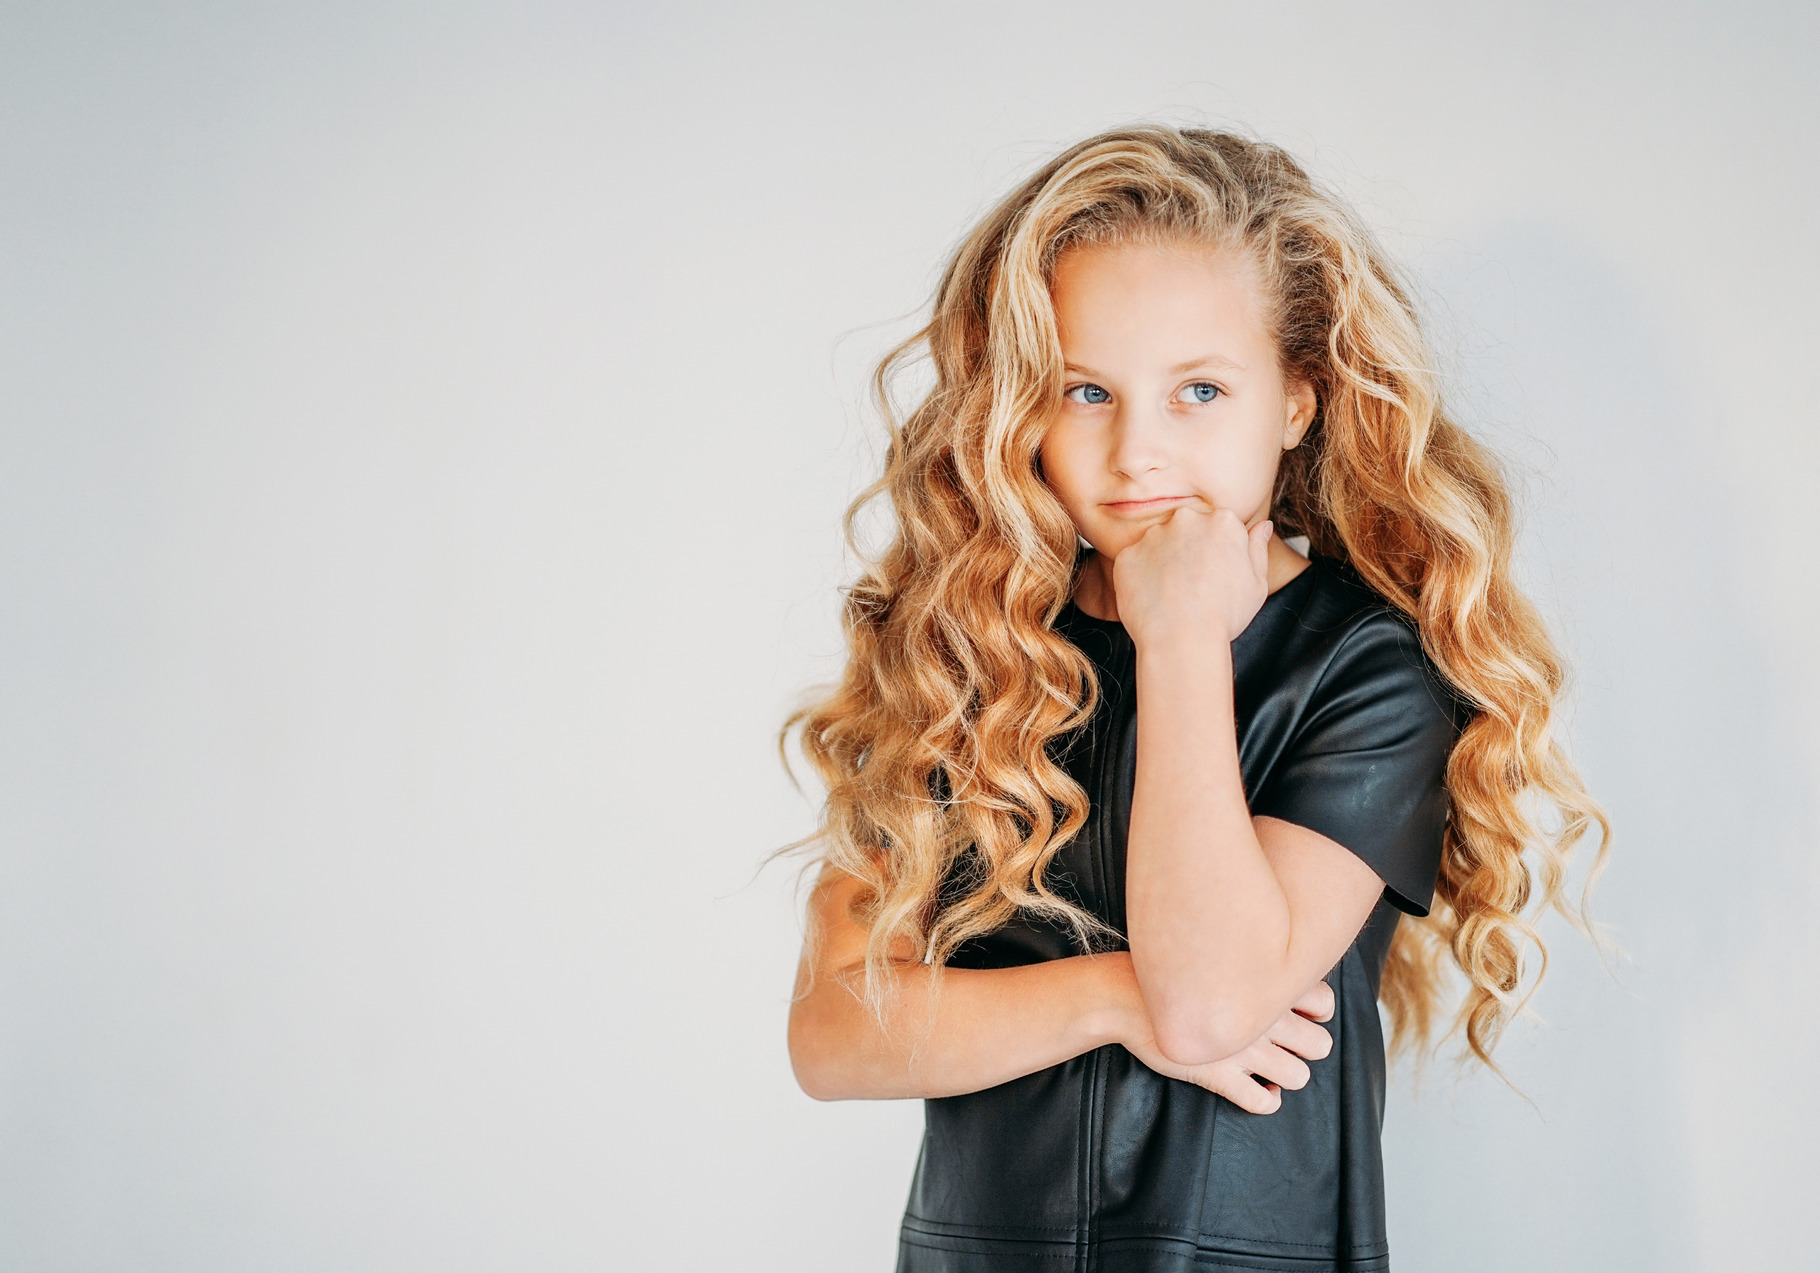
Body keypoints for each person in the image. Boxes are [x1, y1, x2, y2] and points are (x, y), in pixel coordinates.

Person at [777, 125, 1612, 1272]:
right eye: (1085, 391)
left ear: (1296, 405)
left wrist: (1175, 635)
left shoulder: (1366, 667)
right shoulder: (965, 651)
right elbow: (830, 1036)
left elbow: (1213, 1003)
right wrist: (1112, 998)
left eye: (1200, 391)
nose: (1136, 455)